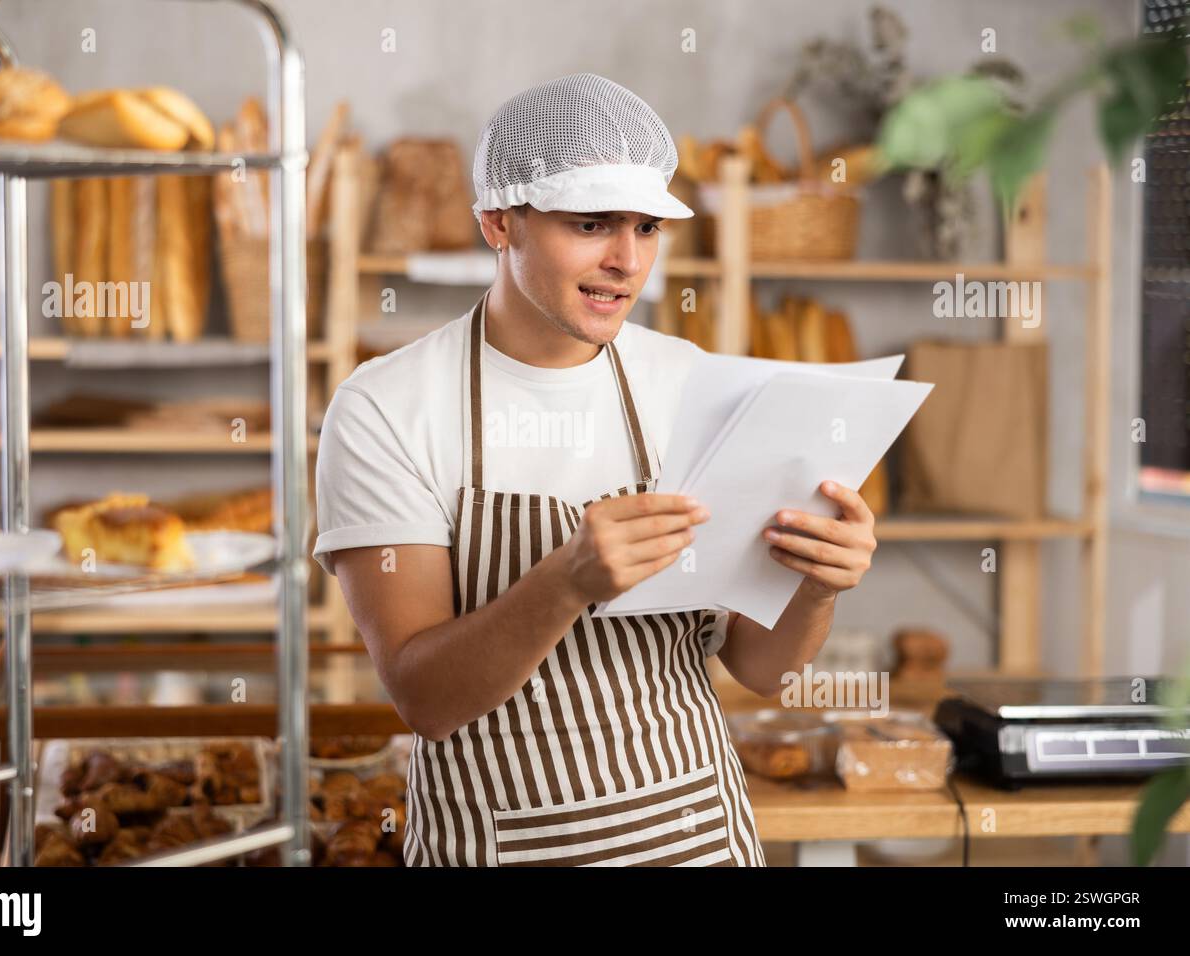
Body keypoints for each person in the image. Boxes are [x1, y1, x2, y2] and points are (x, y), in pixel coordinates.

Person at [313, 72, 877, 866]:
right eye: (590, 224)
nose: (625, 260)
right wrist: (566, 581)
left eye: (647, 227)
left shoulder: (692, 383)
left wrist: (816, 586)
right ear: (498, 221)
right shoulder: (386, 408)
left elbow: (761, 670)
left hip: (696, 835)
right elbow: (425, 699)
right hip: (497, 843)